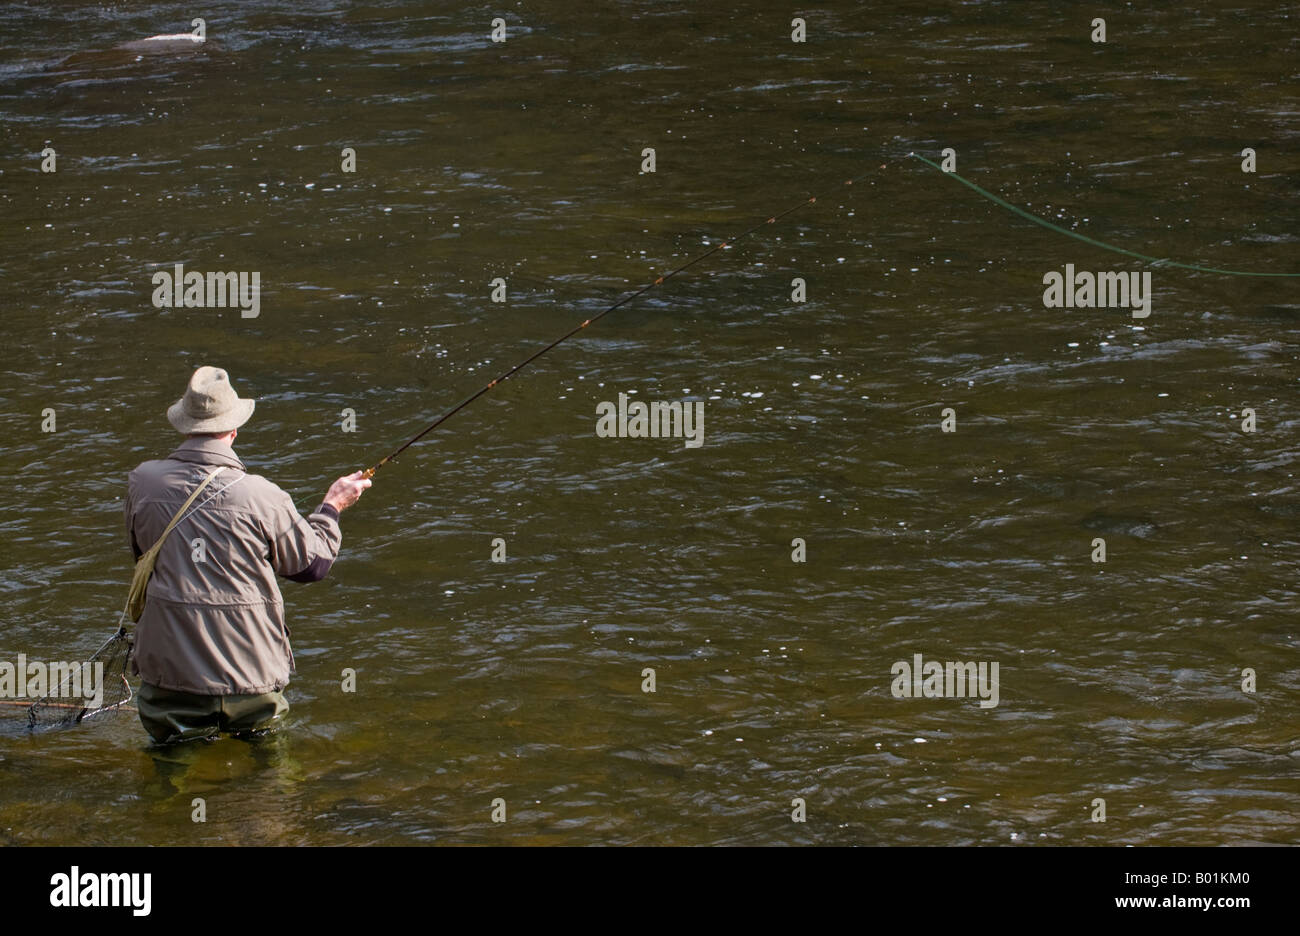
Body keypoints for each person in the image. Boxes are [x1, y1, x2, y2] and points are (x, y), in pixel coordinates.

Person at [124, 366, 369, 743]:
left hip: (170, 676)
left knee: (170, 767)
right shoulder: (263, 495)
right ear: (234, 429)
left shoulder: (143, 481)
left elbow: (142, 553)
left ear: (185, 426)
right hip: (249, 676)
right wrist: (332, 507)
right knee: (268, 773)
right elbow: (312, 566)